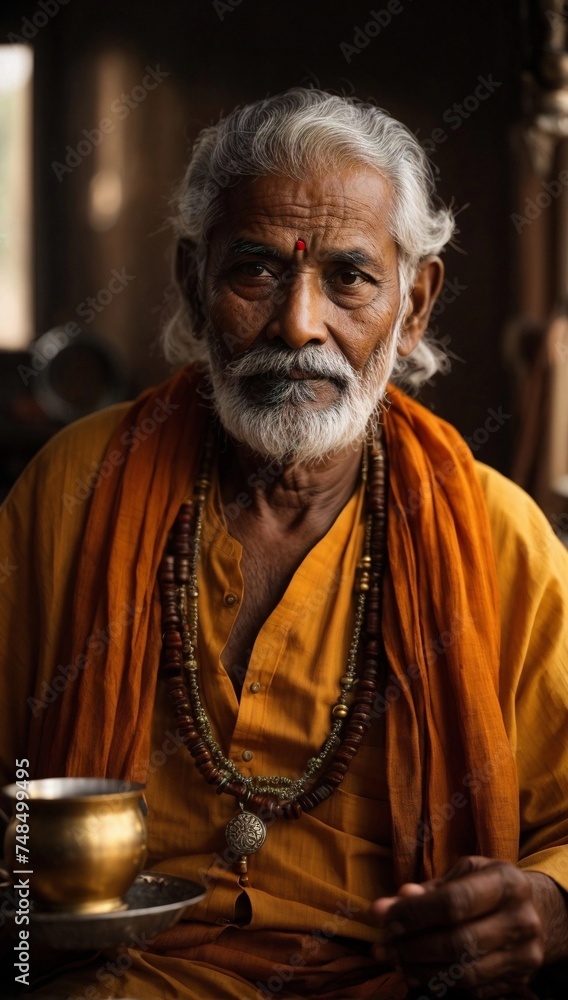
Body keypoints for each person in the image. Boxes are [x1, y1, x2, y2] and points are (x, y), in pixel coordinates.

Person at [0, 87, 567, 1000]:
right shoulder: (75, 489)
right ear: (193, 280)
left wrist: (548, 905)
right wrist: (29, 915)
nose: (300, 323)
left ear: (414, 304)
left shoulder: (498, 539)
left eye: (349, 277)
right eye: (256, 272)